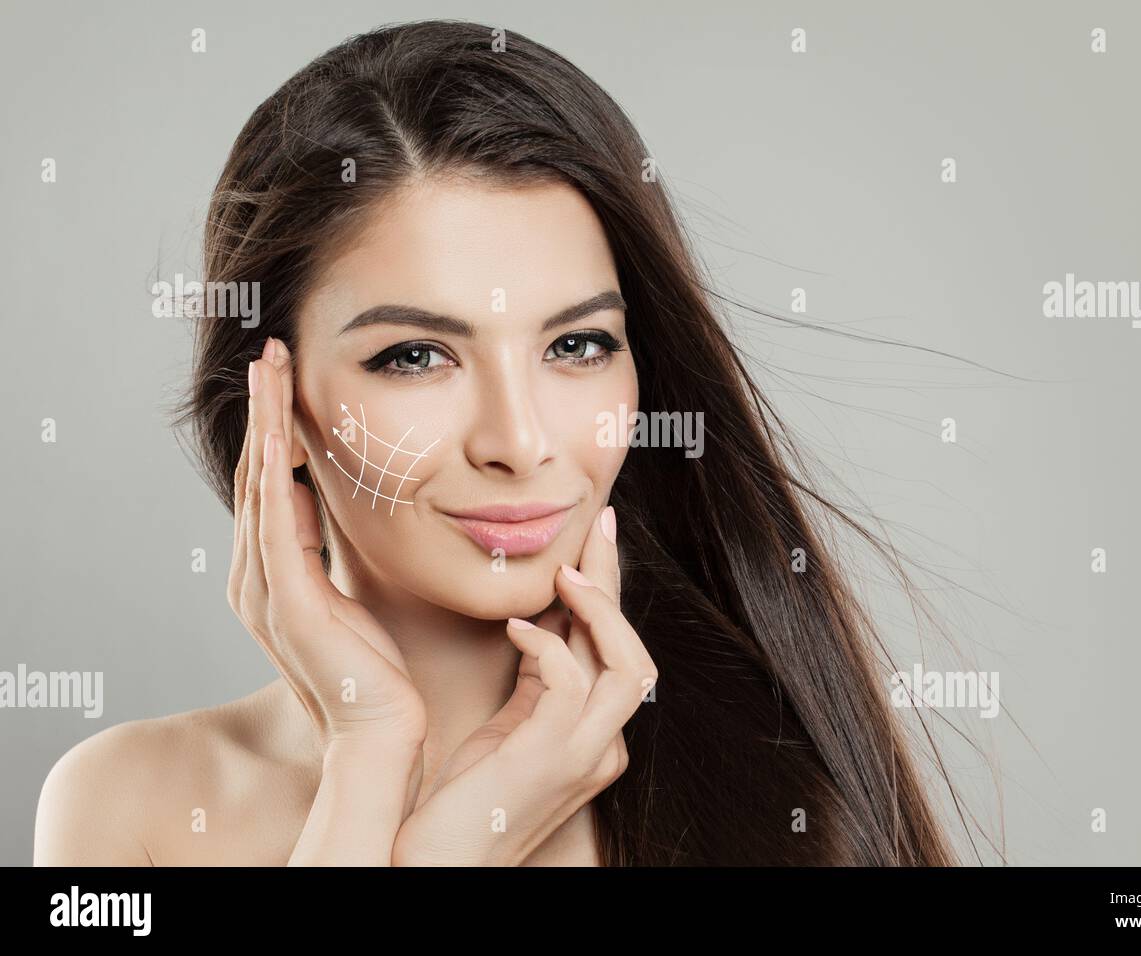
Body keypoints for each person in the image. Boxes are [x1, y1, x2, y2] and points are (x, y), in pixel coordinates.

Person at [34, 19, 962, 866]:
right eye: (415, 357)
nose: (519, 443)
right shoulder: (128, 809)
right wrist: (377, 769)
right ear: (278, 405)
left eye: (577, 345)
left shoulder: (778, 800)